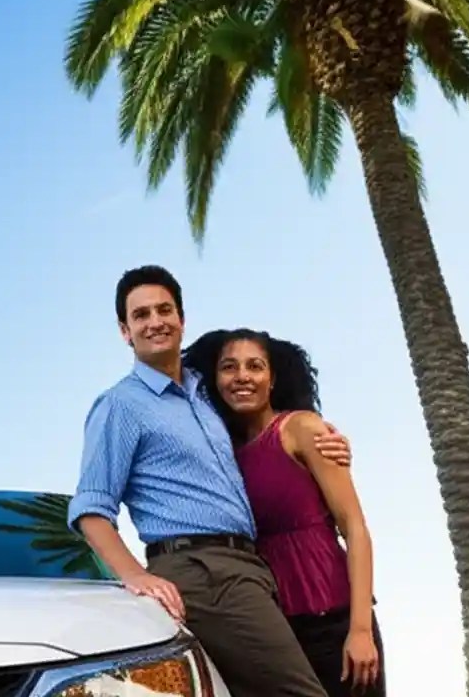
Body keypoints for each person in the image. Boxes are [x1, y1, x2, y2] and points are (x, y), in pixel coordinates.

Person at [68, 265, 352, 697]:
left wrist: (319, 434)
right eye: (141, 315)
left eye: (164, 310)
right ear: (125, 331)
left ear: (182, 318)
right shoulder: (120, 406)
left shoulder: (206, 390)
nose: (155, 322)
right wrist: (134, 575)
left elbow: (262, 413)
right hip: (203, 570)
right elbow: (91, 509)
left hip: (252, 568)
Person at [183, 328, 385, 697]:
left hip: (335, 620)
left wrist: (360, 630)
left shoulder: (301, 428)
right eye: (229, 367)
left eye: (255, 366)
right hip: (274, 634)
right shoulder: (223, 456)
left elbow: (355, 528)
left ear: (272, 379)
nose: (242, 376)